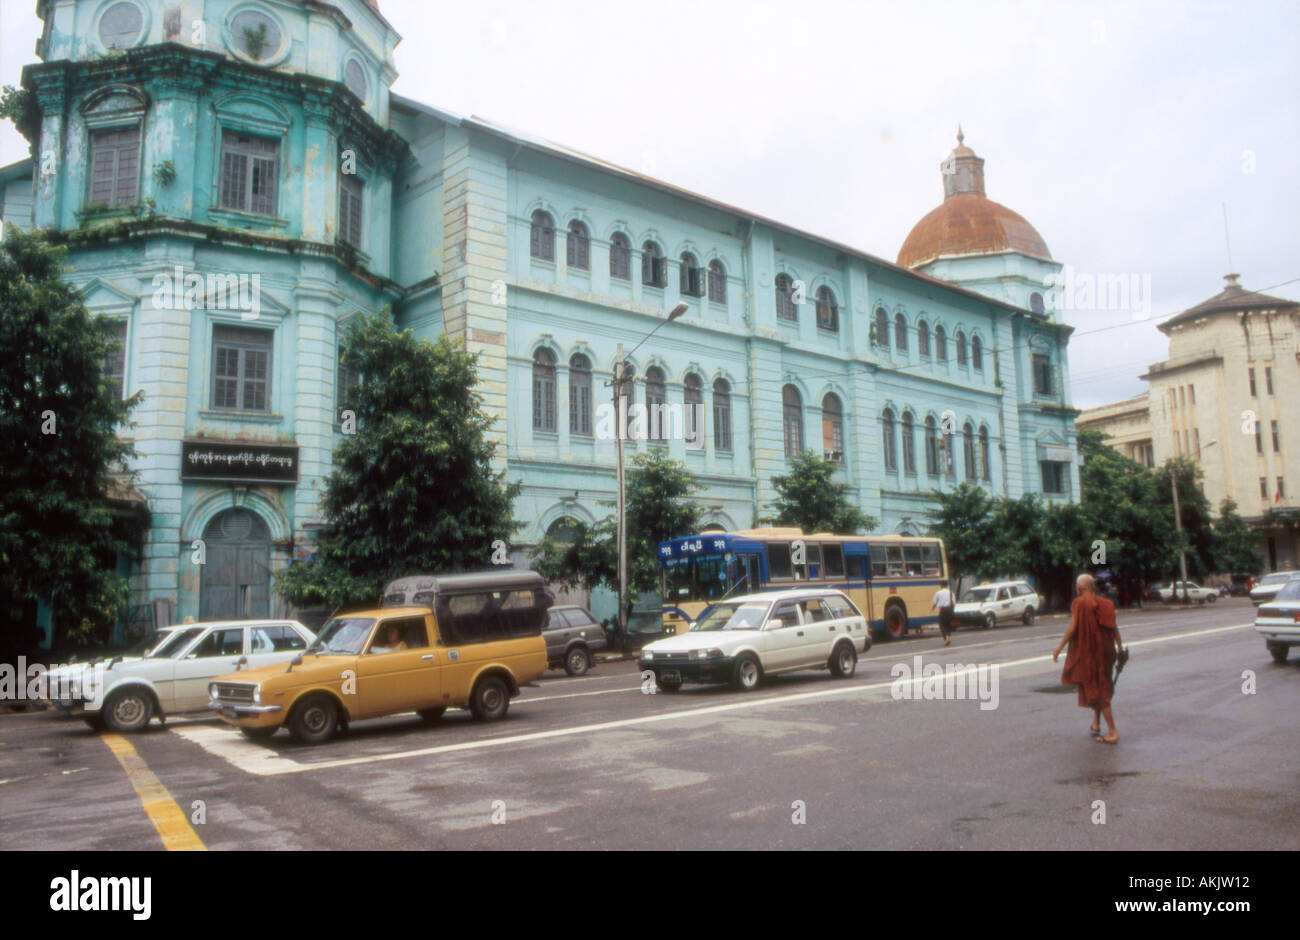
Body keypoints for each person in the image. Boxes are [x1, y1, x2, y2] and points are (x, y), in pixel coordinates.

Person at [1053, 573, 1123, 743]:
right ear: (1093, 587)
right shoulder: (1106, 604)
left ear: (1079, 589)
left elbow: (1072, 628)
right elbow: (1114, 628)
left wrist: (1059, 648)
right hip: (1107, 654)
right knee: (1100, 684)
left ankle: (1113, 732)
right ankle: (1096, 722)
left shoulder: (1079, 603)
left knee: (1098, 690)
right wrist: (1120, 648)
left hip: (1091, 655)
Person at [930, 580, 955, 647]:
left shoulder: (938, 593)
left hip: (943, 610)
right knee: (948, 624)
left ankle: (946, 638)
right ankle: (948, 637)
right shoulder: (950, 593)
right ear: (946, 585)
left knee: (942, 624)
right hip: (950, 609)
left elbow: (935, 602)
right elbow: (953, 603)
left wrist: (932, 609)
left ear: (940, 585)